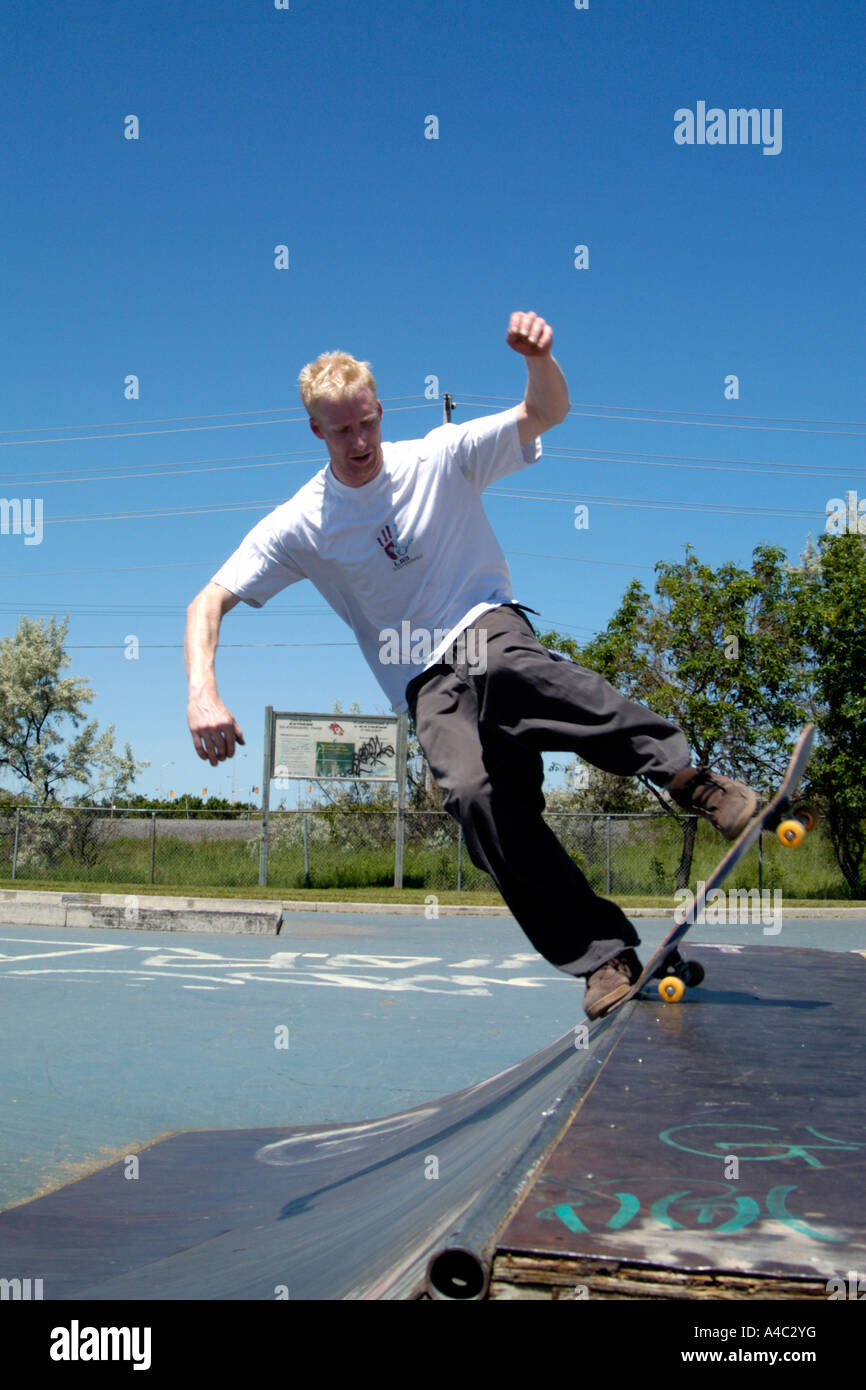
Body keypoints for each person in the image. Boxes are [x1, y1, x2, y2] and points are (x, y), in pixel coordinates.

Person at [185, 311, 759, 1019]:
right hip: (422, 683)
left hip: (483, 624)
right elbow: (208, 600)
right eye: (340, 430)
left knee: (502, 667)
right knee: (474, 798)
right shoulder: (303, 521)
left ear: (378, 410)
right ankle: (603, 957)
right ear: (316, 432)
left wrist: (538, 359)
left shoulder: (441, 455)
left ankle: (688, 779)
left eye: (365, 423)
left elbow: (545, 411)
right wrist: (202, 692)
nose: (359, 442)